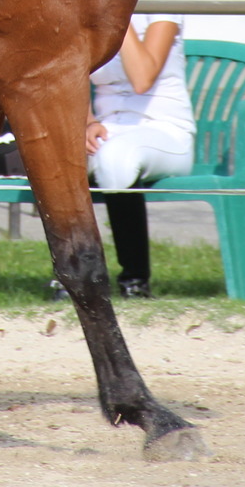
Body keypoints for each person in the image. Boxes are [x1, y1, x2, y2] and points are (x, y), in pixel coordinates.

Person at [82, 16, 193, 300]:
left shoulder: (161, 4)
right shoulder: (88, 1)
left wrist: (117, 13)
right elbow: (71, 73)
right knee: (59, 159)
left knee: (116, 159)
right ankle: (73, 276)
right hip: (107, 128)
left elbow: (142, 78)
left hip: (165, 130)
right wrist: (87, 122)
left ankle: (134, 281)